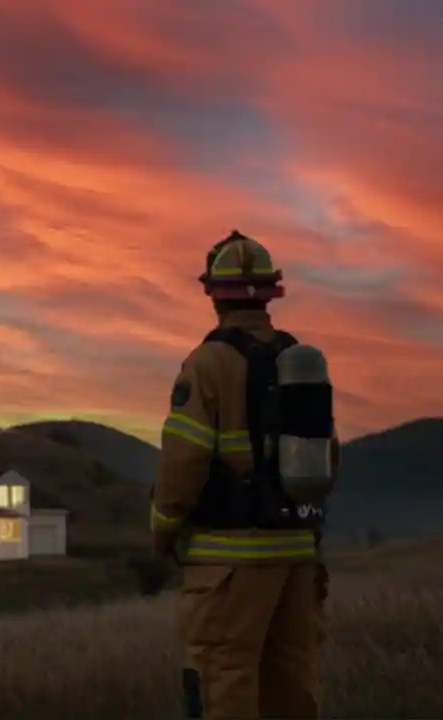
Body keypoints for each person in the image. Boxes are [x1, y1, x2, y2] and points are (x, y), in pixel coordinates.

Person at [150, 230, 339, 720]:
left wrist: (163, 528)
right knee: (291, 690)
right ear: (272, 292)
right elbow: (329, 457)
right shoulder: (299, 364)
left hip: (230, 569)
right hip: (298, 559)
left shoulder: (208, 363)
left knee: (222, 686)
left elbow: (183, 464)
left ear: (213, 294)